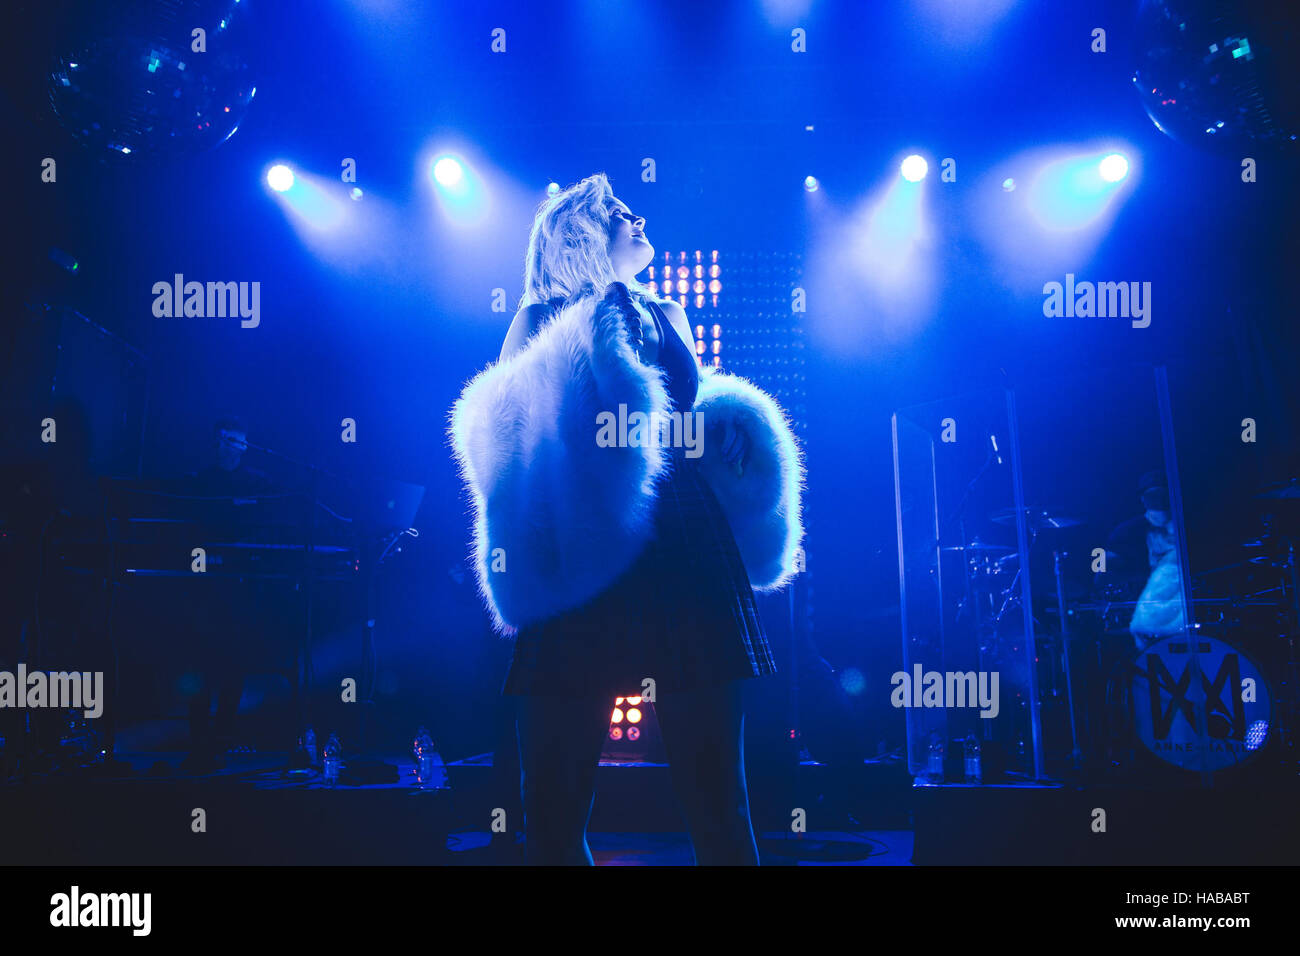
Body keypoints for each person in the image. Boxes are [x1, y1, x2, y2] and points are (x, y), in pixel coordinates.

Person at [449, 173, 804, 864]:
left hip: (681, 540)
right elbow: (508, 439)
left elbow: (674, 421)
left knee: (719, 800)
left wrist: (723, 432)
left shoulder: (670, 309)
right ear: (580, 232)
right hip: (579, 556)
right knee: (549, 807)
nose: (637, 215)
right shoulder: (537, 316)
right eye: (617, 211)